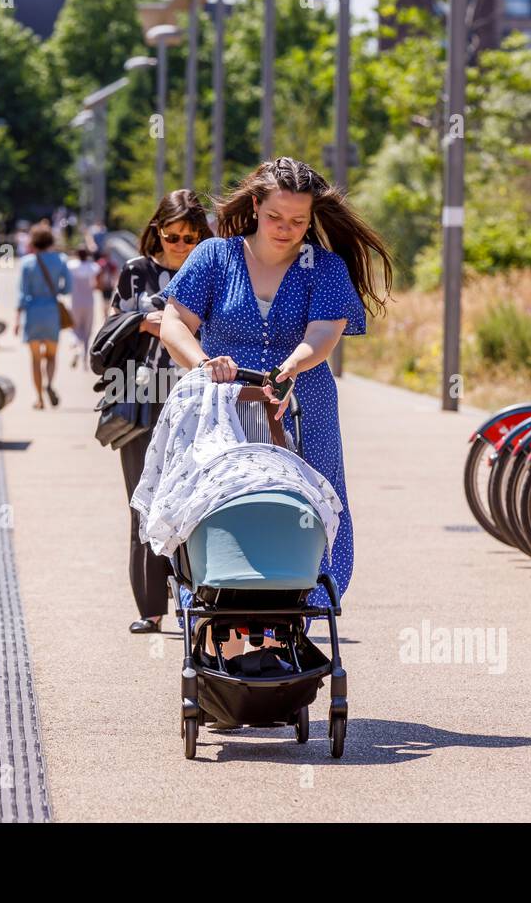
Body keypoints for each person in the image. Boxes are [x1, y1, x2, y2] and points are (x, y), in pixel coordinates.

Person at [156, 156, 393, 656]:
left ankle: (284, 641)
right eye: (276, 218)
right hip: (221, 405)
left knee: (303, 510)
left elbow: (324, 335)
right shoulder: (215, 257)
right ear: (256, 206)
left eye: (299, 221)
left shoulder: (323, 268)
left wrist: (290, 369)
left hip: (301, 402)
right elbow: (174, 322)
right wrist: (203, 363)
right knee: (218, 508)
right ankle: (221, 644)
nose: (286, 230)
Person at [110, 189, 214, 634]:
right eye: (172, 236)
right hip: (142, 398)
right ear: (157, 232)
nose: (180, 245)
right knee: (143, 502)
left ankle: (197, 599)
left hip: (198, 402)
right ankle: (150, 608)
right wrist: (147, 322)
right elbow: (112, 331)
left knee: (200, 502)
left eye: (191, 237)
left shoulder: (212, 269)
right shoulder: (137, 273)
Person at [15, 222, 71, 410]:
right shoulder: (60, 260)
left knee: (35, 359)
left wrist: (16, 320)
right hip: (51, 313)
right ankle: (49, 384)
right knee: (52, 356)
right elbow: (68, 287)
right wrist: (55, 290)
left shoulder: (26, 263)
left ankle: (39, 398)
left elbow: (22, 293)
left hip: (32, 314)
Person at [67, 245, 99, 369]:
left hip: (75, 301)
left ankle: (76, 346)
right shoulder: (93, 268)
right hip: (89, 301)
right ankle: (85, 357)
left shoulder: (72, 266)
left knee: (75, 327)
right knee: (87, 330)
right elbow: (97, 284)